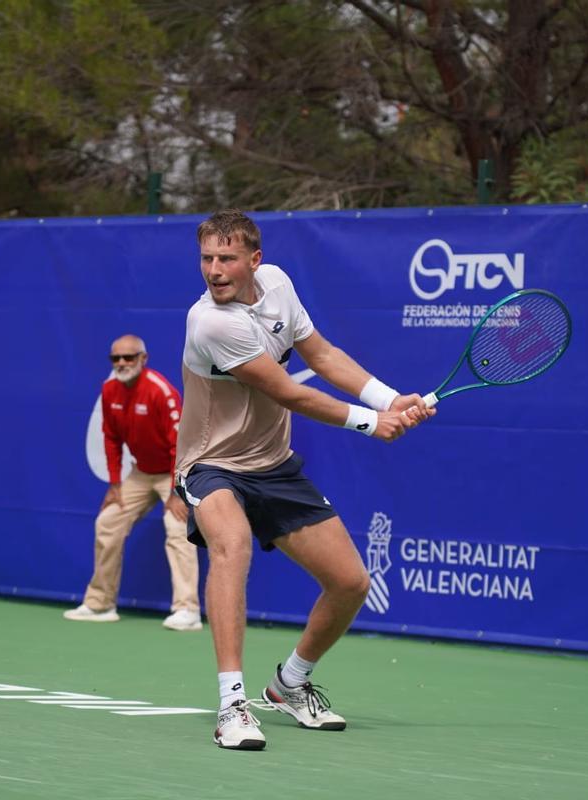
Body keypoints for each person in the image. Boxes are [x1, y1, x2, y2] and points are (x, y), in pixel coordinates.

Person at [175, 209, 434, 750]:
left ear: (255, 260)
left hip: (273, 464)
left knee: (350, 583)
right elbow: (288, 392)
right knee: (232, 546)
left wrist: (389, 399)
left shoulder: (277, 286)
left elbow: (322, 354)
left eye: (226, 258)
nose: (214, 270)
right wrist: (371, 423)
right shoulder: (211, 322)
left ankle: (290, 684)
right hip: (211, 463)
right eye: (206, 258)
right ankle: (232, 705)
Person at [64, 334, 202, 631]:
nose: (122, 363)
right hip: (141, 473)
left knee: (178, 527)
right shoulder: (109, 389)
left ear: (143, 359)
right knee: (107, 522)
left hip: (173, 472)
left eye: (128, 357)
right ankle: (101, 604)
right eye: (116, 358)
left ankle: (187, 610)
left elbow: (179, 446)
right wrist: (115, 484)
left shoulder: (161, 391)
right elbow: (111, 439)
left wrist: (177, 492)